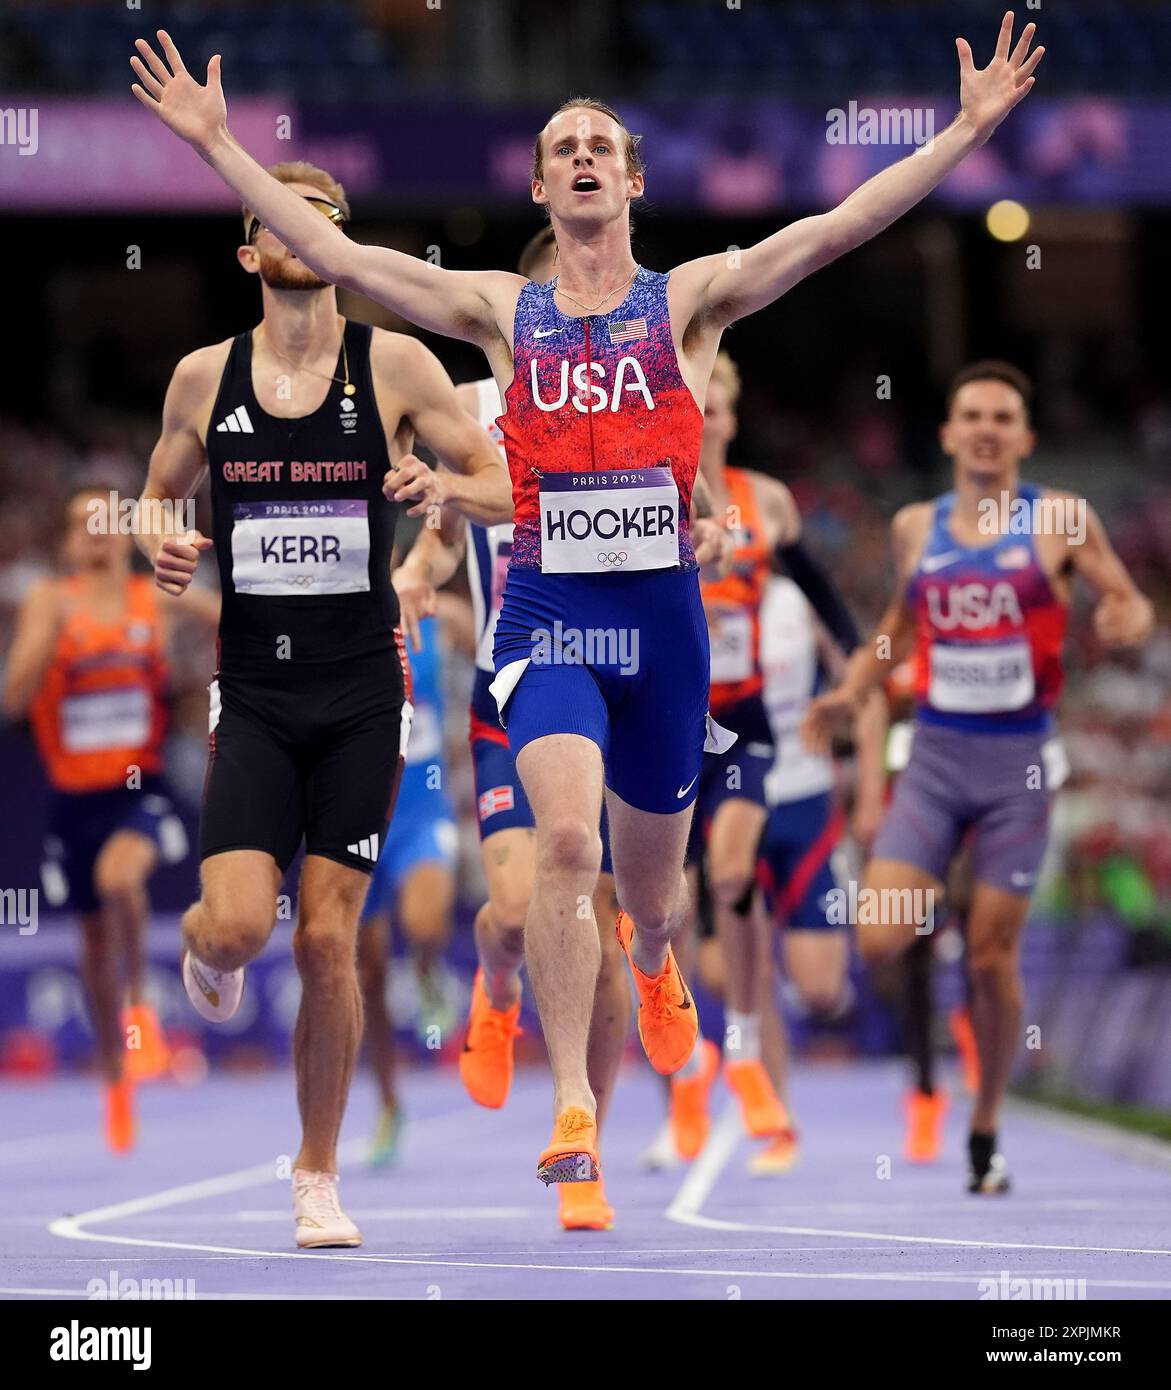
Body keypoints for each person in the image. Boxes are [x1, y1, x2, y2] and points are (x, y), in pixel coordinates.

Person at [131, 13, 1045, 1186]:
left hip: (662, 626)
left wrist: (964, 129)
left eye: (598, 145)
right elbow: (349, 261)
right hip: (550, 615)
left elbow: (837, 226)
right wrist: (218, 143)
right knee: (565, 841)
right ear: (539, 183)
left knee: (650, 901)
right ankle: (572, 1106)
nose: (578, 156)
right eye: (559, 144)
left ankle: (657, 961)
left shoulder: (690, 303)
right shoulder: (505, 314)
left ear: (631, 179)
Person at [132, 157, 511, 1247]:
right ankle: (205, 954)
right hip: (252, 694)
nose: (302, 230)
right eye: (278, 220)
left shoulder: (395, 366)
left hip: (361, 693)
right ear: (251, 253)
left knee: (328, 940)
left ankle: (316, 1172)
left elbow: (497, 481)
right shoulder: (205, 378)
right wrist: (161, 541)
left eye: (322, 215)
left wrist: (441, 489)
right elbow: (152, 497)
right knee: (246, 926)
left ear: (340, 241)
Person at [805, 360, 1154, 1192]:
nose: (987, 428)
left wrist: (1123, 617)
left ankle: (984, 1123)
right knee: (883, 932)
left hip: (1017, 768)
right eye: (973, 415)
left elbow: (1130, 601)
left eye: (1003, 416)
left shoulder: (1061, 520)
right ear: (949, 434)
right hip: (932, 758)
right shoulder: (916, 529)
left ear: (1024, 437)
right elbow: (894, 628)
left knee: (994, 953)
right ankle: (936, 951)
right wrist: (850, 691)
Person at [4, 483, 217, 1152]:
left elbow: (231, 618)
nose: (95, 533)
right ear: (68, 541)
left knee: (122, 878)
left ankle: (140, 1014)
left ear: (125, 533)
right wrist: (47, 642)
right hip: (74, 800)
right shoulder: (49, 602)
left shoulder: (151, 596)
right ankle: (117, 1078)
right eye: (81, 524)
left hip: (141, 791)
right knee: (92, 943)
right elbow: (13, 699)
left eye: (106, 521)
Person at [357, 610, 459, 1169]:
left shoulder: (435, 620)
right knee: (368, 974)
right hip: (362, 816)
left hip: (423, 811)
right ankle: (390, 1104)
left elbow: (499, 624)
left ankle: (427, 973)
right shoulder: (342, 613)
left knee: (425, 922)